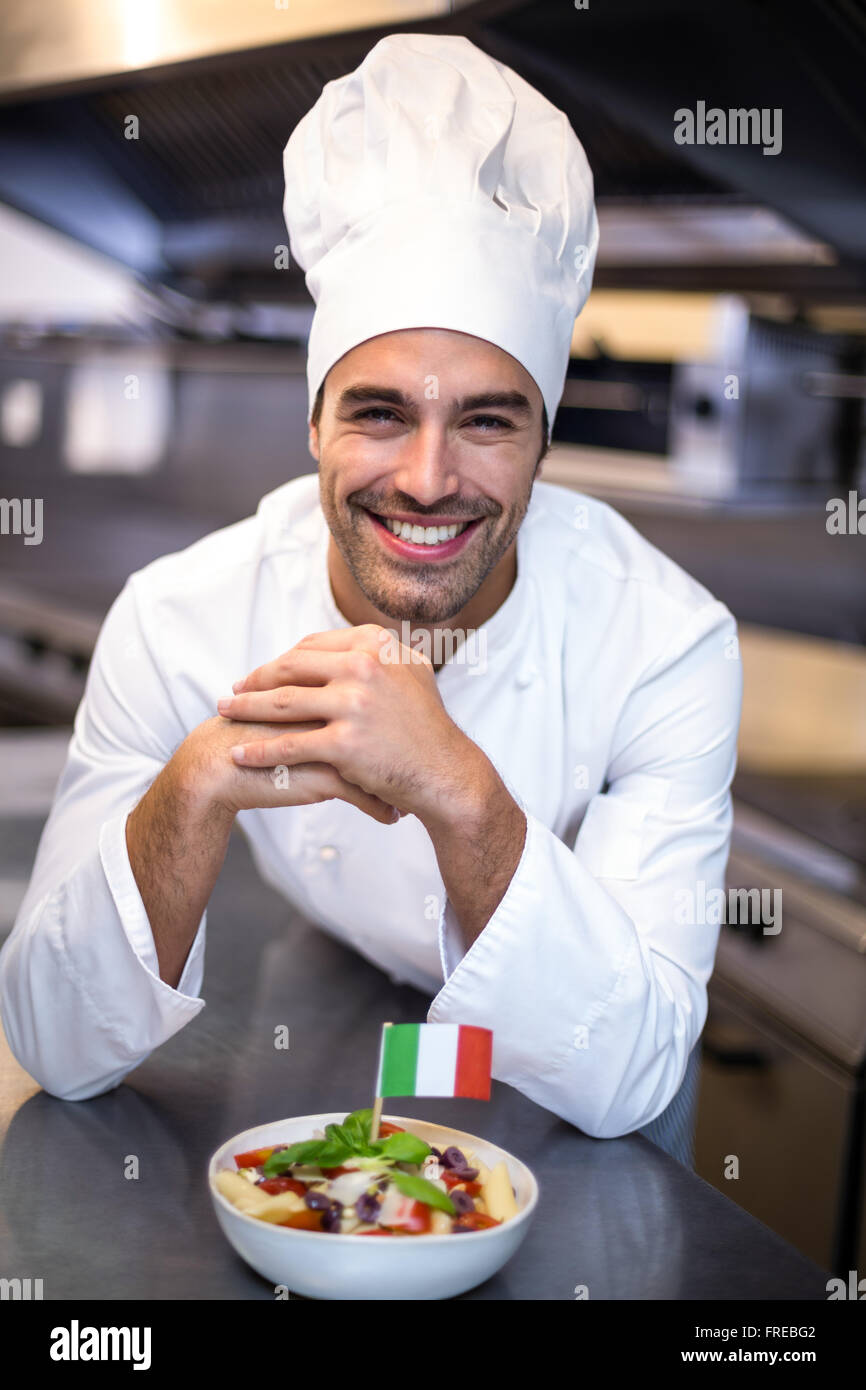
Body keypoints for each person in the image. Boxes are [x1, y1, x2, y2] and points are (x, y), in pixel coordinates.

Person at [0, 34, 741, 1165]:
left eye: (487, 420)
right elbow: (56, 1042)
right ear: (311, 425)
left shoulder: (663, 642)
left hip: (564, 1140)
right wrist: (197, 784)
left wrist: (452, 785)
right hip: (327, 1012)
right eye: (379, 413)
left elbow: (629, 1072)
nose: (429, 478)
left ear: (544, 441)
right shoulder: (181, 615)